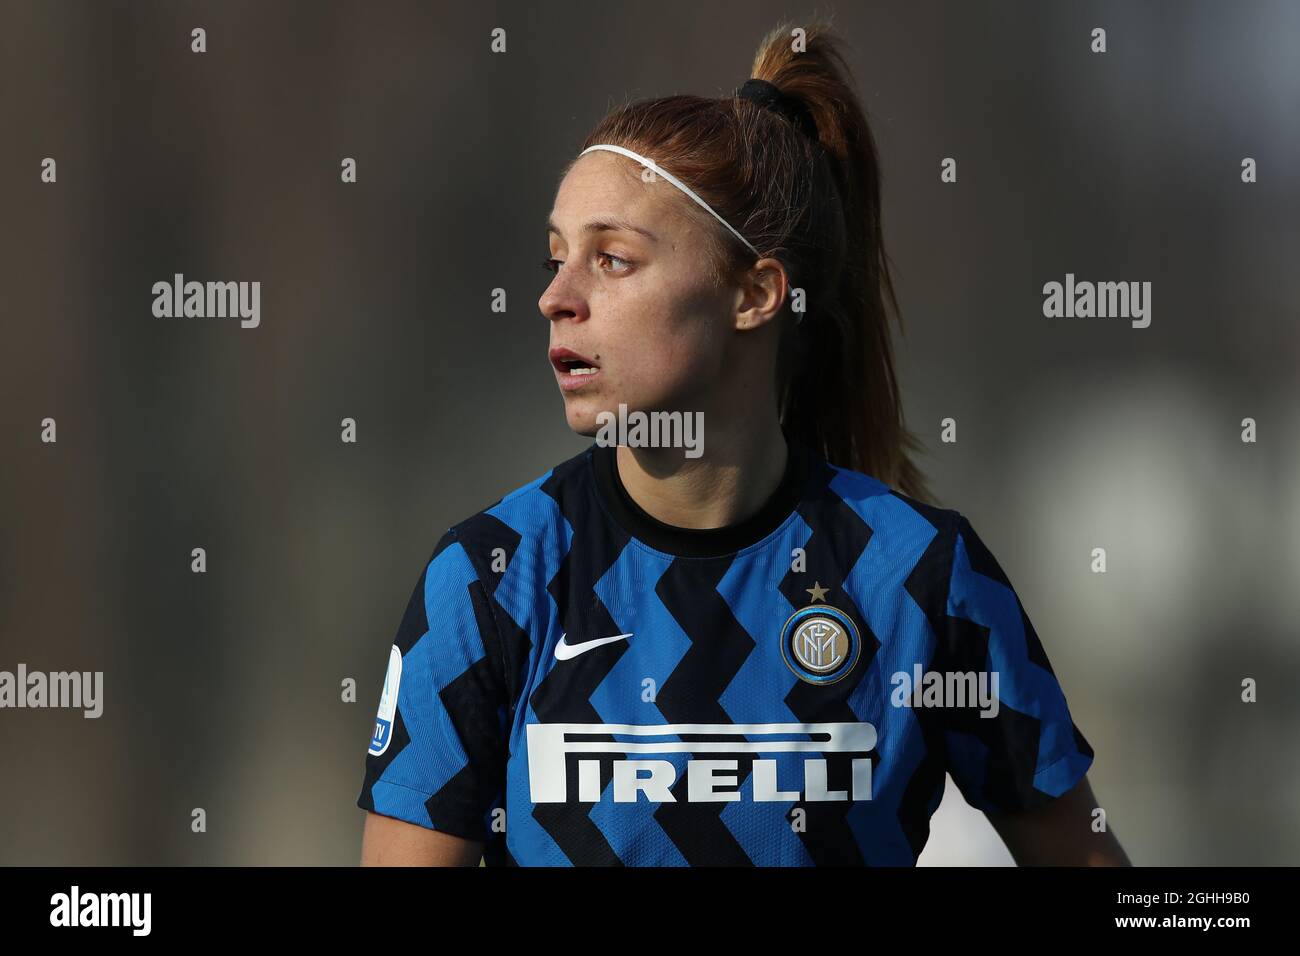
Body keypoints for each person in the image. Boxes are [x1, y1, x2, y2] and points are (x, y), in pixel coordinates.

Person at [356, 21, 1130, 867]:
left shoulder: (920, 579)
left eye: (612, 260)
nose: (556, 297)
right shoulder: (490, 579)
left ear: (756, 294)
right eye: (555, 258)